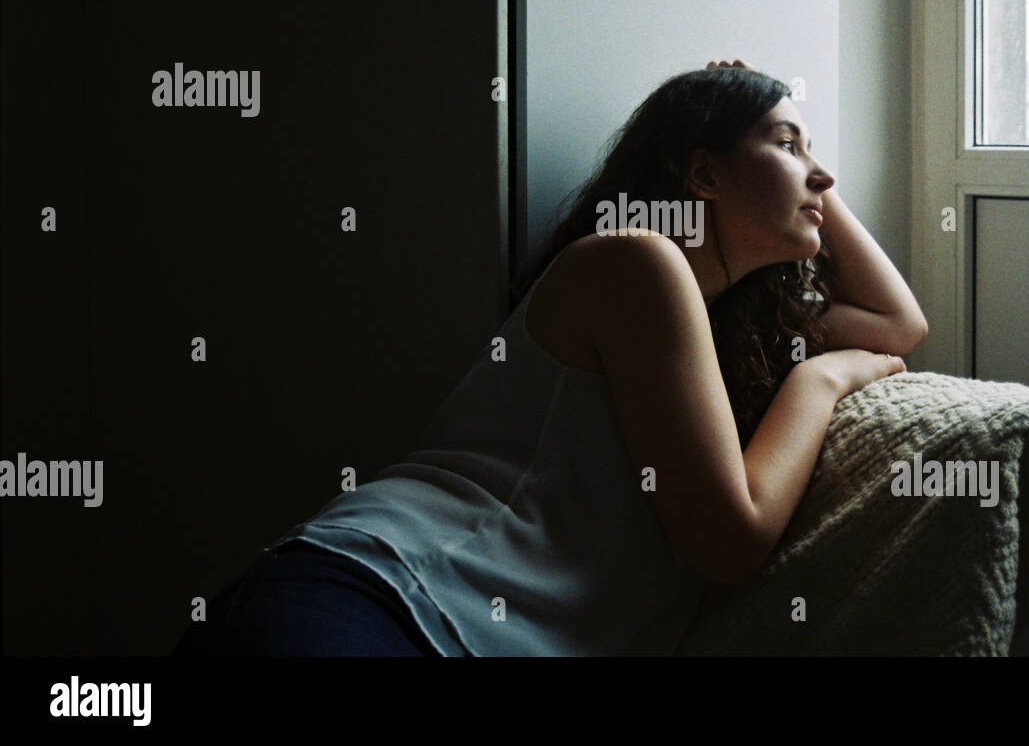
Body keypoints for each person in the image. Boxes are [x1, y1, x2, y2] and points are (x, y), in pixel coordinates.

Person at [171, 59, 926, 657]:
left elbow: (898, 322)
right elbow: (731, 539)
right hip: (387, 599)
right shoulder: (637, 263)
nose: (821, 174)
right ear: (701, 174)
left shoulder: (717, 331)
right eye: (788, 145)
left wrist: (807, 182)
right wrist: (822, 376)